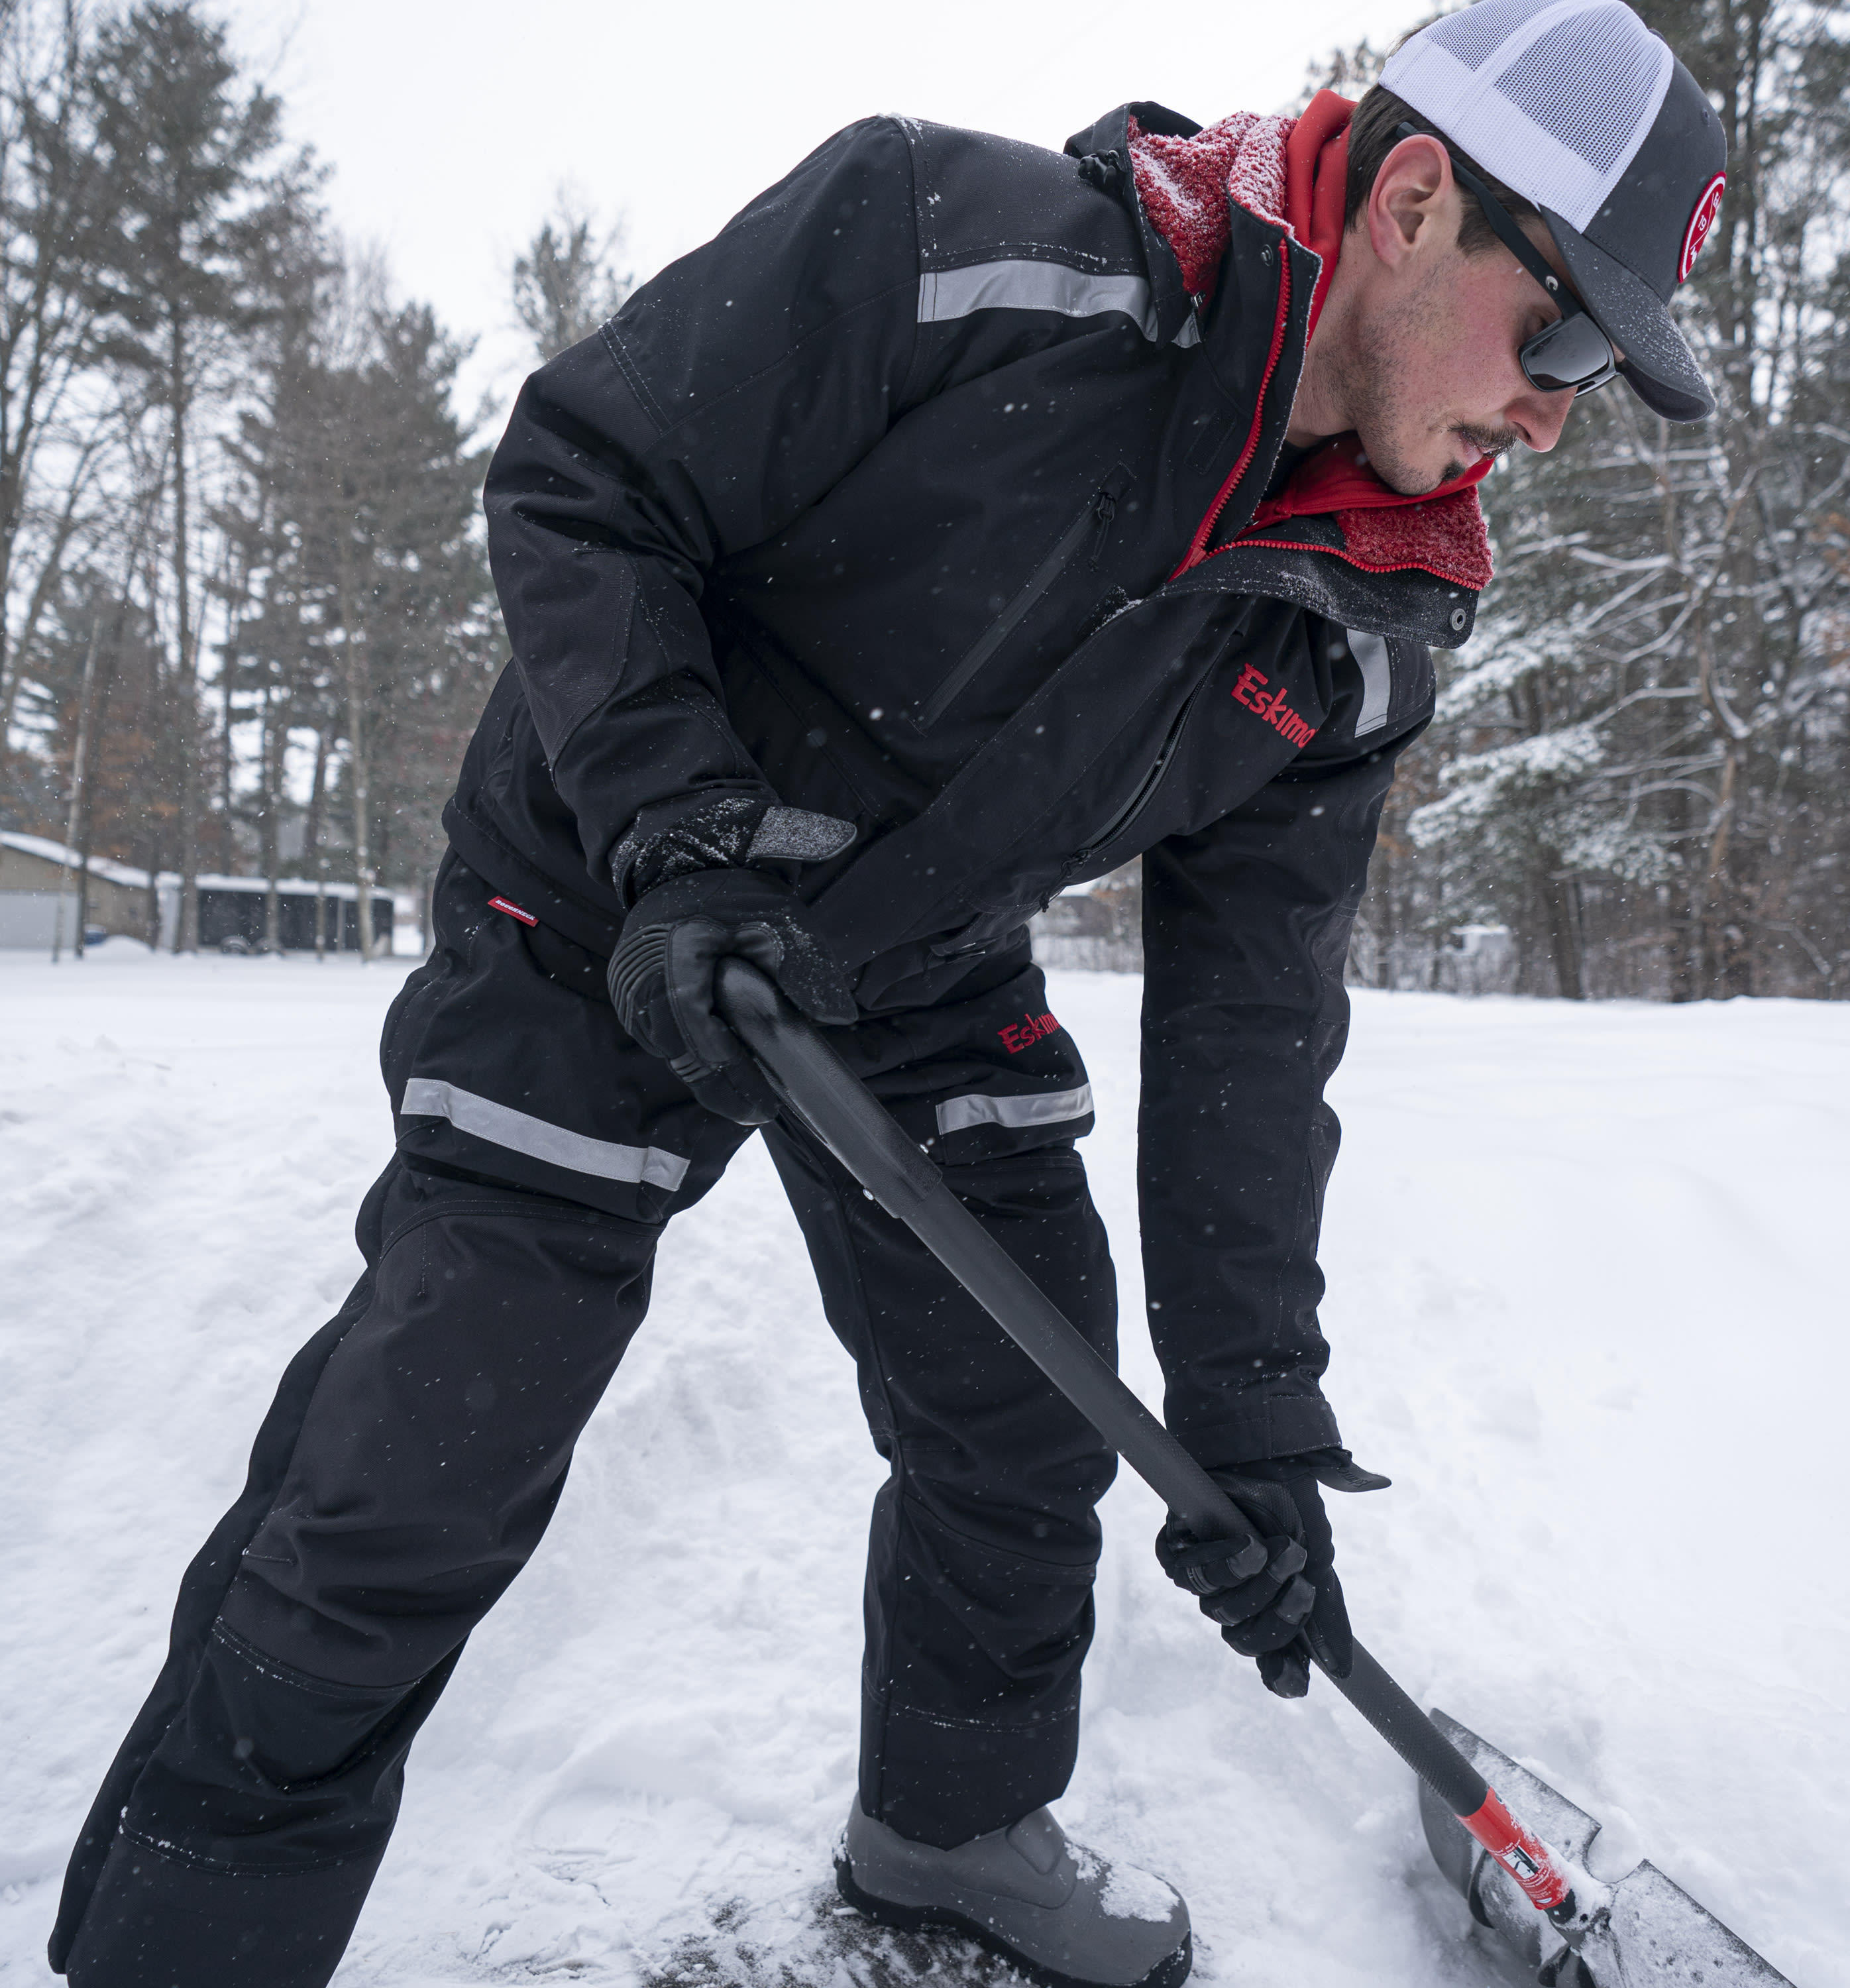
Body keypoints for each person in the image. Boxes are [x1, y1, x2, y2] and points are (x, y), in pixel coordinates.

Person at [48, 5, 1727, 1984]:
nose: (1556, 413)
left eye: (1605, 375)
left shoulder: (1368, 615)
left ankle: (951, 1831)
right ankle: (182, 1950)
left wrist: (1256, 1435)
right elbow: (586, 477)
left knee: (1024, 1415)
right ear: (1418, 201)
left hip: (912, 954)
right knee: (424, 1460)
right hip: (608, 888)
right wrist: (678, 834)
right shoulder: (957, 239)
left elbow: (1249, 1027)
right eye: (1564, 339)